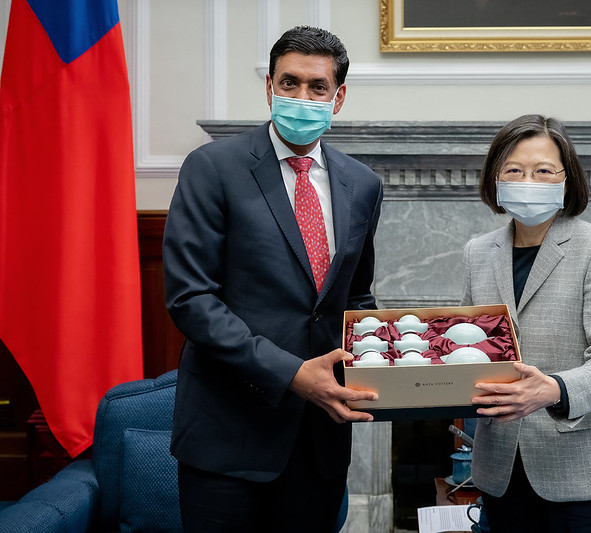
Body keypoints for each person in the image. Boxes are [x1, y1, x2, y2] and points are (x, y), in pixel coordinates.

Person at [162, 26, 382, 532]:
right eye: (289, 83)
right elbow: (190, 297)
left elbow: (356, 296)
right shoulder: (212, 167)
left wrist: (392, 363)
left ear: (338, 98)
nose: (302, 97)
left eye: (317, 87)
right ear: (269, 87)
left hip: (320, 440)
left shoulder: (363, 184)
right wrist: (291, 373)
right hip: (228, 435)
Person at [462, 115, 591, 532]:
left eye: (543, 171)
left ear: (567, 180)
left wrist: (555, 389)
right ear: (495, 179)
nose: (527, 180)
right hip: (502, 474)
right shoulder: (478, 253)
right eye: (514, 170)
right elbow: (468, 349)